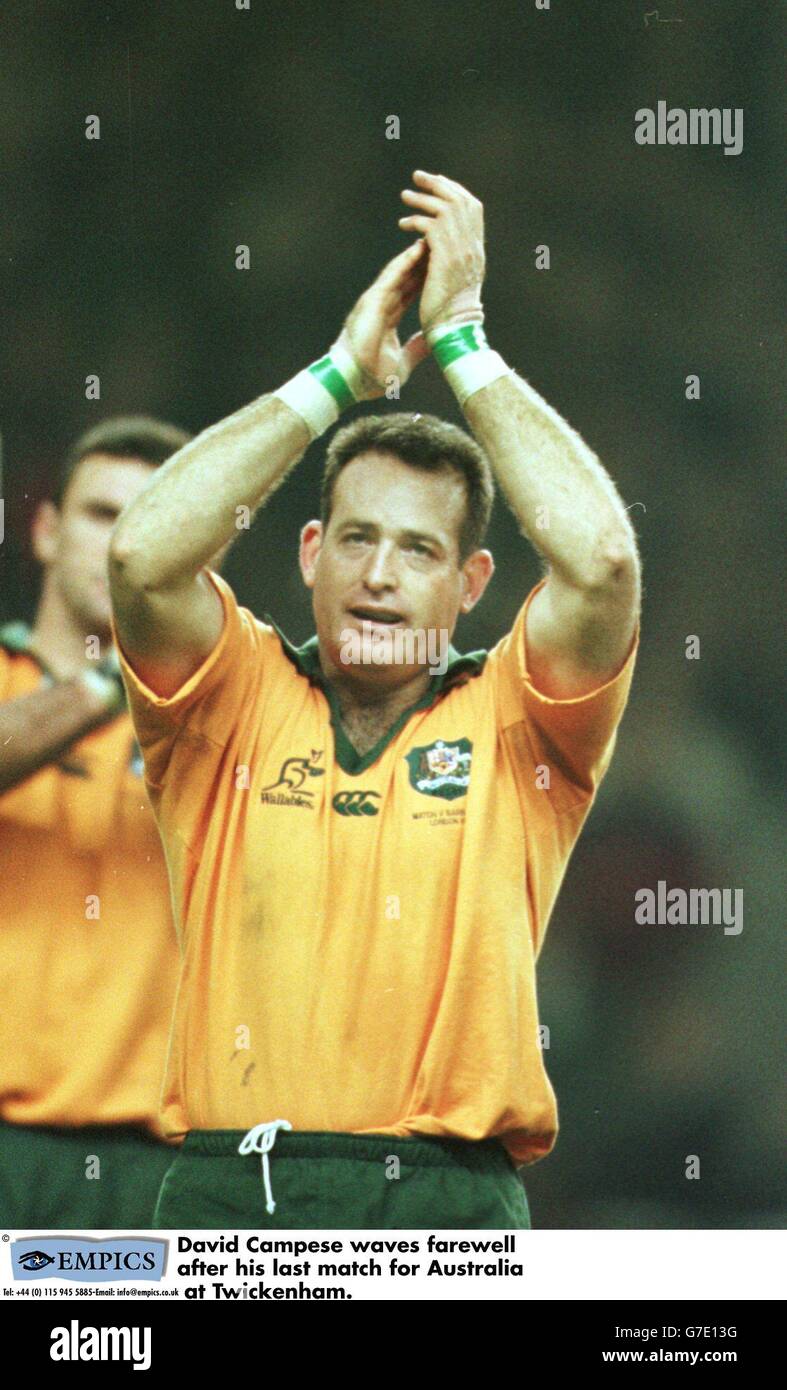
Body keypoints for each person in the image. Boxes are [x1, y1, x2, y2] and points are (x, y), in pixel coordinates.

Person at [109, 172, 641, 1231]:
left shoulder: (516, 721)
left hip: (439, 1202)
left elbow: (603, 565)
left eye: (418, 549)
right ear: (309, 554)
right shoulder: (234, 697)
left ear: (471, 584)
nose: (380, 575)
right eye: (355, 537)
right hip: (226, 1194)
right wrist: (338, 379)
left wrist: (463, 343)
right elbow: (139, 557)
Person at [0, 417, 190, 1228]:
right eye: (103, 515)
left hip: (146, 1170)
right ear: (44, 529)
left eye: (154, 528)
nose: (124, 550)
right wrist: (109, 680)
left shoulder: (211, 722)